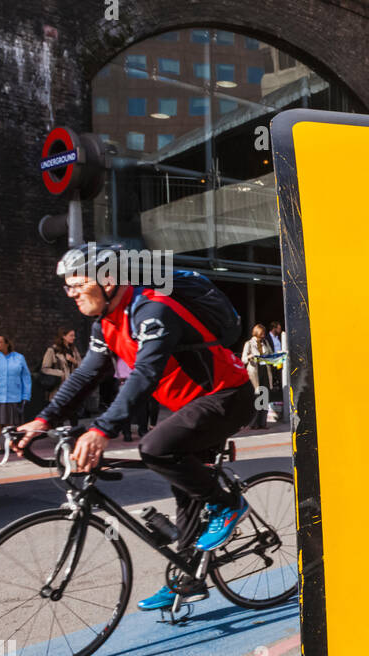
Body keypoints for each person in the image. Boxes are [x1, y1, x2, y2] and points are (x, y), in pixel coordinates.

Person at [14, 243, 254, 612]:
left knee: (156, 448)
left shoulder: (152, 308)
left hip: (227, 396)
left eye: (78, 285)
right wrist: (43, 419)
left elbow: (145, 374)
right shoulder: (105, 324)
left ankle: (228, 504)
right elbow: (86, 375)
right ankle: (187, 581)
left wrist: (102, 429)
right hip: (188, 406)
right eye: (68, 287)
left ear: (108, 280)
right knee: (186, 491)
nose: (72, 294)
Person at [241, 324, 273, 430]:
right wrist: (251, 357)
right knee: (257, 397)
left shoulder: (265, 342)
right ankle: (253, 423)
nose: (263, 335)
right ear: (257, 332)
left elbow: (271, 354)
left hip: (265, 371)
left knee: (265, 397)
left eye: (264, 333)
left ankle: (263, 423)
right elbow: (243, 359)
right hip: (255, 372)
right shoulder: (249, 344)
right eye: (261, 333)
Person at [41, 328, 82, 402]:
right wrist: (60, 373)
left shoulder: (73, 350)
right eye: (71, 335)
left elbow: (82, 367)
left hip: (72, 388)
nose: (74, 337)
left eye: (74, 335)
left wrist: (73, 361)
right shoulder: (52, 350)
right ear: (64, 336)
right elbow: (45, 369)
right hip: (58, 389)